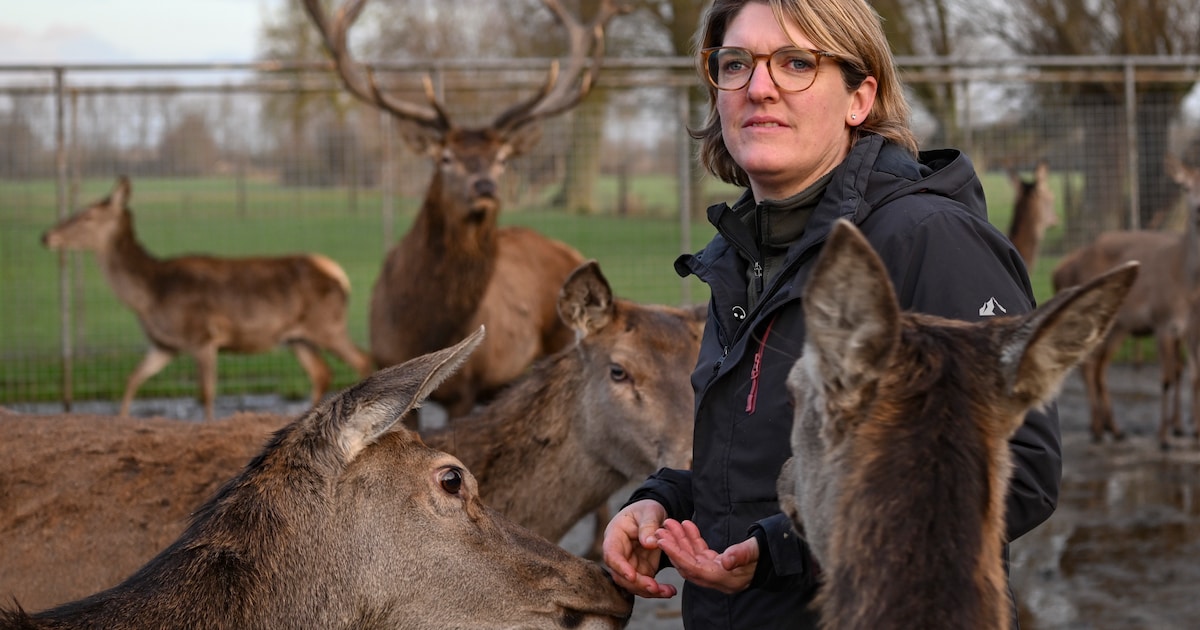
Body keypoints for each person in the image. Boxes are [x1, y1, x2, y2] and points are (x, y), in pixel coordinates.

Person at [599, 0, 1061, 628]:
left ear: (859, 98)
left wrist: (786, 549)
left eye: (795, 62)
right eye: (736, 64)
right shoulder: (744, 256)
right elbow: (752, 459)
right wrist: (662, 504)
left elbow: (1021, 471)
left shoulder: (928, 239)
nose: (759, 87)